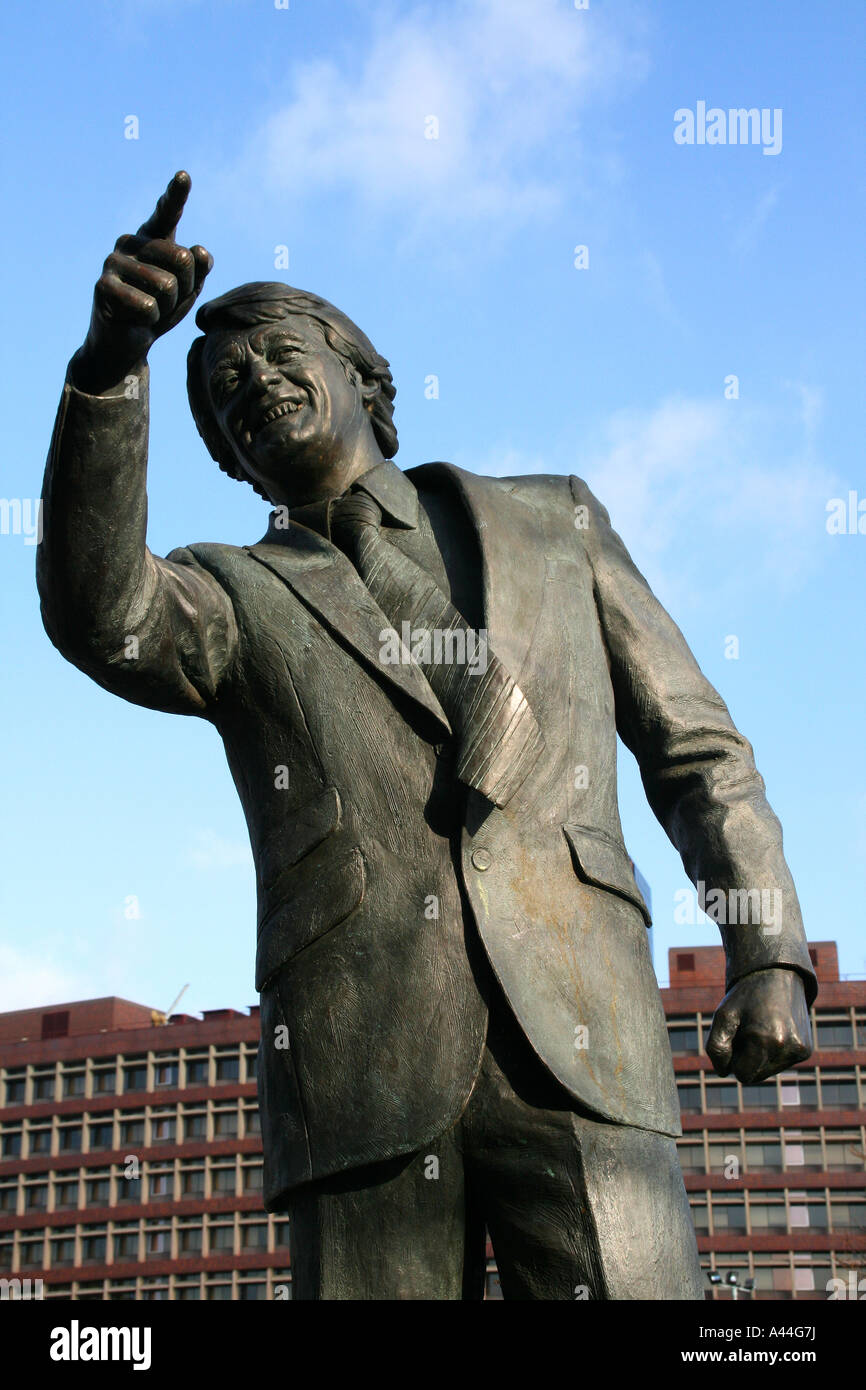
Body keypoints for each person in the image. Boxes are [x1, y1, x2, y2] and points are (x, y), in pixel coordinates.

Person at [38, 173, 815, 1299]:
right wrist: (111, 369)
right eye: (219, 392)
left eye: (275, 352)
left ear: (362, 375)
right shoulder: (231, 594)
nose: (249, 384)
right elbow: (97, 611)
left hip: (584, 1043)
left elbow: (694, 750)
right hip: (359, 1078)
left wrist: (766, 949)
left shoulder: (556, 522)